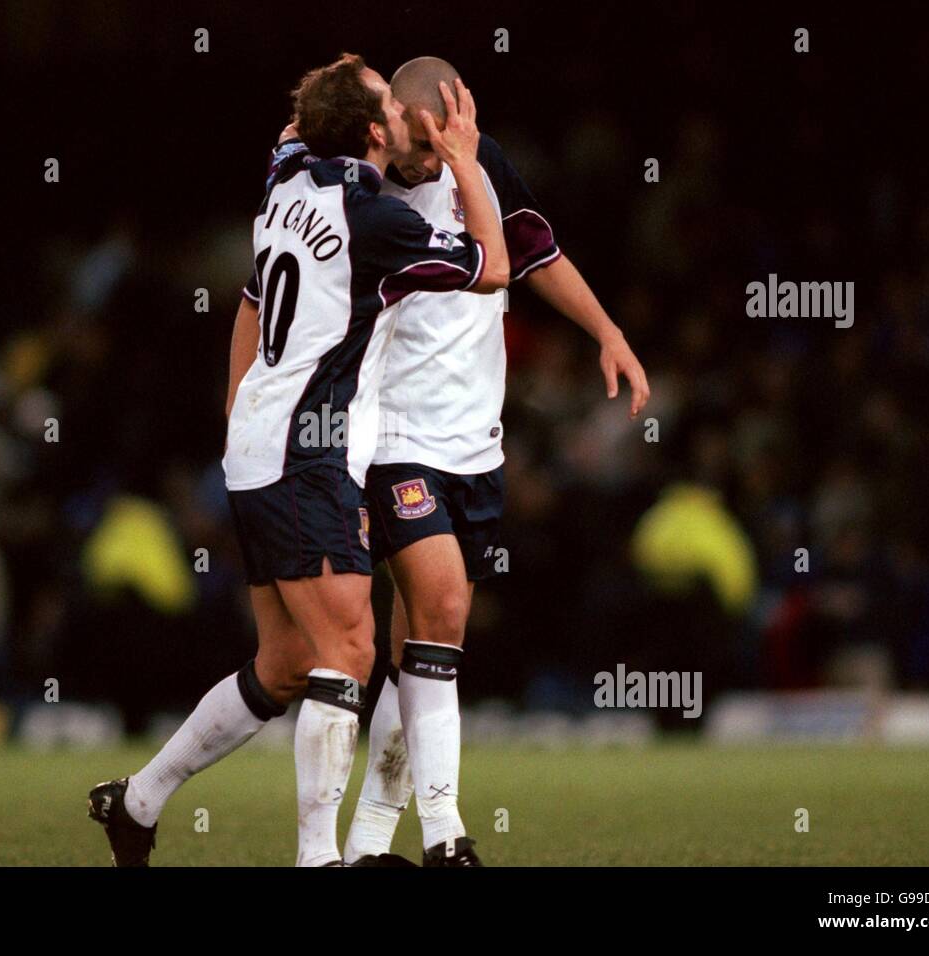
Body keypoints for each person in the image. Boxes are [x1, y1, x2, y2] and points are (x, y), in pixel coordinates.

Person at [89, 52, 510, 867]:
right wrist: (463, 157)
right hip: (308, 453)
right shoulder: (374, 219)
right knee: (349, 655)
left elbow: (295, 127)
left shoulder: (287, 176)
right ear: (369, 131)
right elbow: (492, 267)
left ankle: (136, 803)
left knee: (284, 664)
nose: (399, 113)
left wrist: (340, 79)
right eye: (387, 104)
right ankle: (320, 861)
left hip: (255, 443)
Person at [340, 56, 651, 866]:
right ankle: (445, 835)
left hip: (474, 443)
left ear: (456, 117)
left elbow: (536, 256)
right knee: (439, 616)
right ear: (393, 120)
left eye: (436, 137)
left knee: (424, 646)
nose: (421, 153)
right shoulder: (366, 194)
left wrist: (608, 334)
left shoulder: (484, 168)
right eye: (411, 136)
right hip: (396, 438)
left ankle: (371, 843)